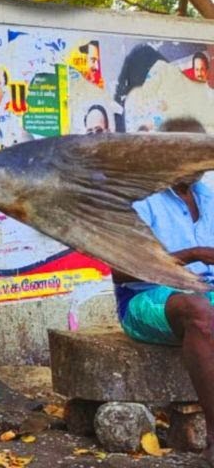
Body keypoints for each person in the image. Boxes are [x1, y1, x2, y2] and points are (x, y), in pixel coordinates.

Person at [114, 116, 214, 464]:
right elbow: (120, 270)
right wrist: (190, 255)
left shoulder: (207, 195)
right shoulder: (142, 200)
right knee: (198, 311)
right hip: (145, 298)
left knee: (203, 303)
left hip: (203, 290)